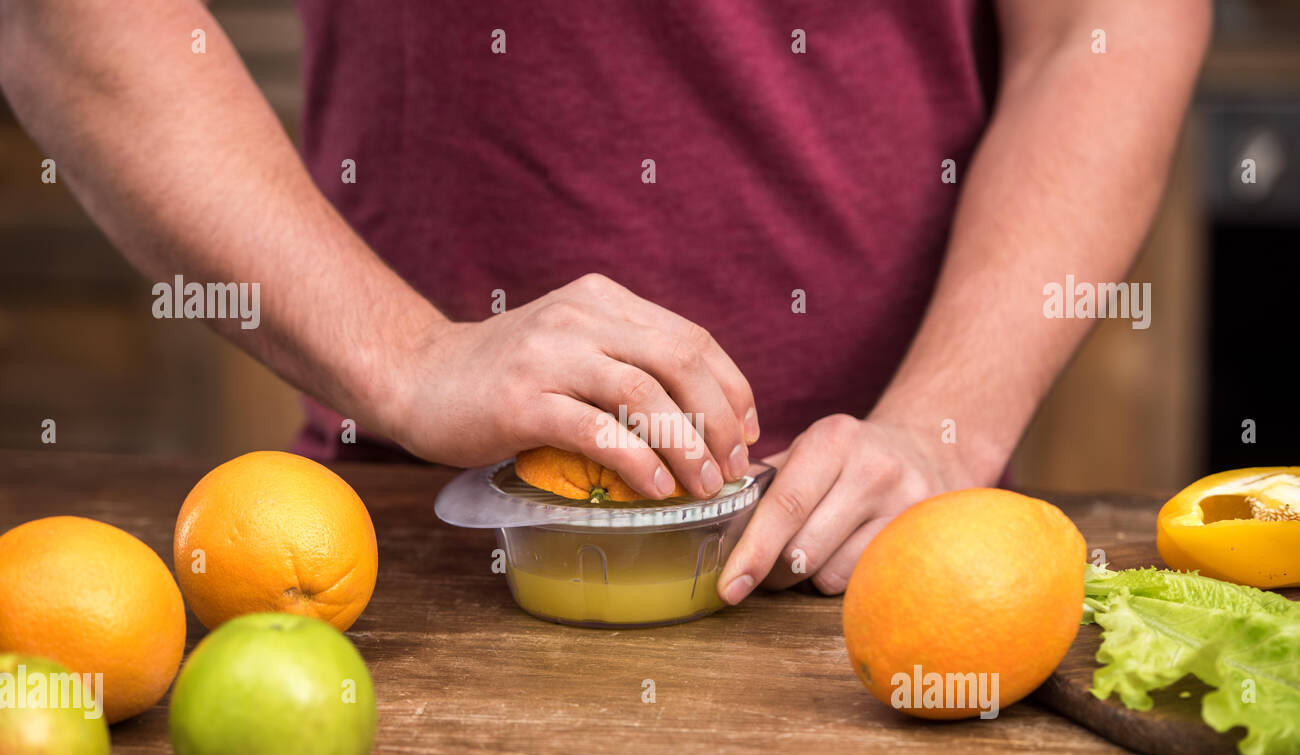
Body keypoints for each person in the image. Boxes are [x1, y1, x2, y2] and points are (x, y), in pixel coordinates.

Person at [0, 1, 1210, 602]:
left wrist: (942, 426)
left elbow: (1105, 23)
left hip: (874, 556)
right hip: (414, 544)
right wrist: (402, 355)